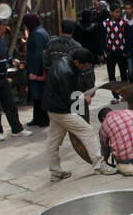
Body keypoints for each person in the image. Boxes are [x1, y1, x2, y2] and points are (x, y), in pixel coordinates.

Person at [45, 46, 117, 181]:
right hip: (62, 111)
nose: (85, 68)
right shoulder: (66, 72)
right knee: (88, 131)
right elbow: (70, 97)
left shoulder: (63, 62)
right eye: (84, 66)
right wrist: (84, 98)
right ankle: (99, 165)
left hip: (52, 108)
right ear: (78, 62)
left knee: (53, 143)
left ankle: (55, 172)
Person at [23, 12, 52, 128]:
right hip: (37, 67)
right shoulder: (37, 32)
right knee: (36, 95)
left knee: (40, 94)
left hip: (39, 69)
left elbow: (38, 54)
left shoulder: (38, 34)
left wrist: (34, 72)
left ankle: (44, 119)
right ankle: (37, 118)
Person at [103, 5, 128, 82]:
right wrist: (105, 51)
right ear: (111, 12)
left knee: (123, 74)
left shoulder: (123, 23)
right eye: (116, 12)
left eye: (119, 12)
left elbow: (127, 38)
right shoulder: (105, 23)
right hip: (110, 53)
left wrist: (125, 51)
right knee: (111, 75)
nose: (118, 14)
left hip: (121, 52)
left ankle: (124, 91)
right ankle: (114, 93)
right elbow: (103, 38)